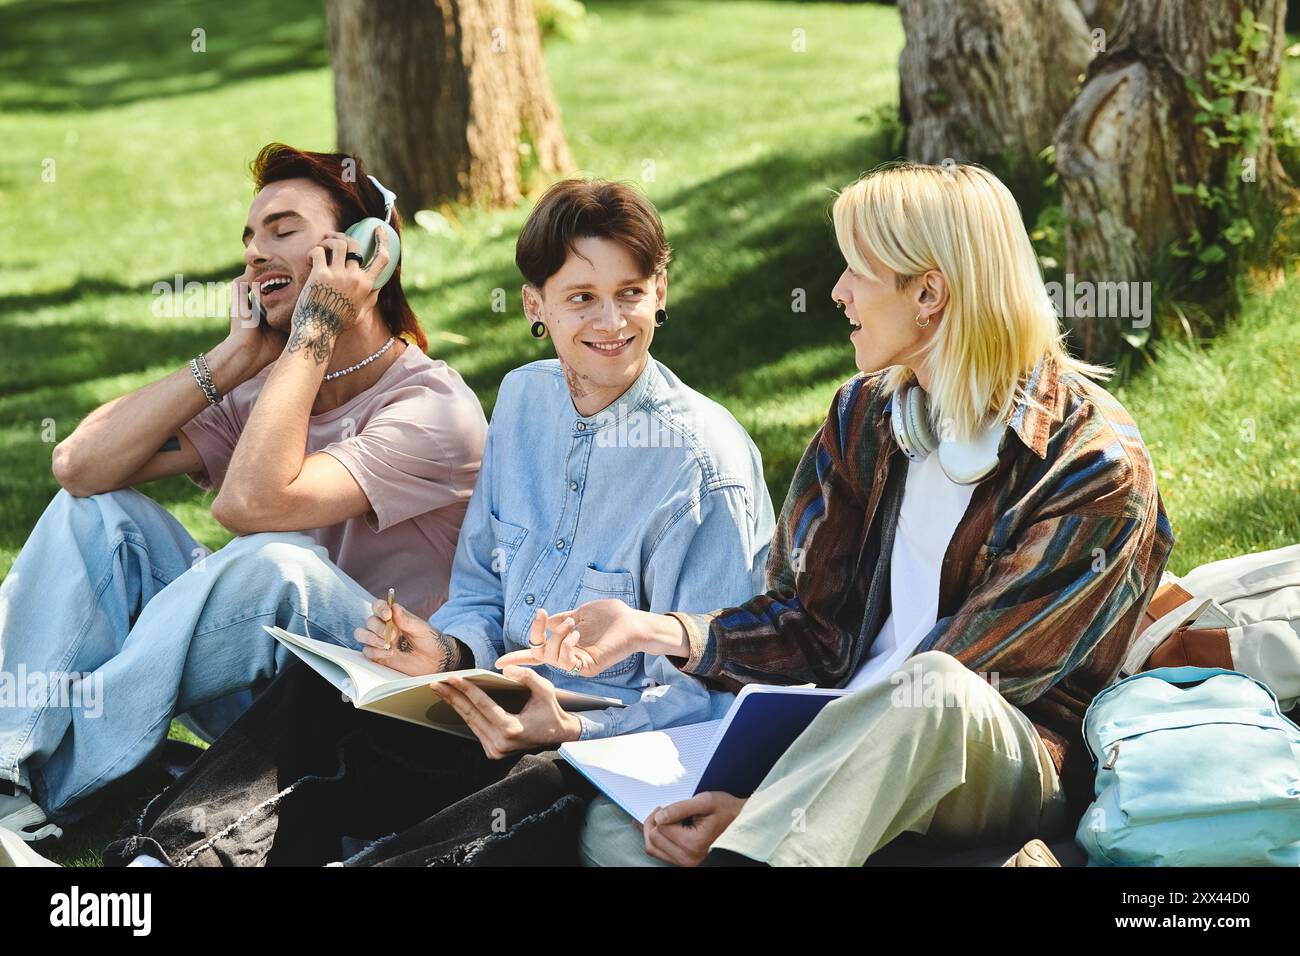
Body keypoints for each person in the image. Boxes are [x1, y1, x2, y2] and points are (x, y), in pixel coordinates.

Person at [519, 163, 1177, 867]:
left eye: (857, 270)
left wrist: (771, 811)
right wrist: (652, 630)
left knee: (936, 694)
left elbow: (976, 681)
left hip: (996, 761)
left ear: (928, 292)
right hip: (837, 740)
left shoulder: (1092, 464)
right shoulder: (865, 415)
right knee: (621, 835)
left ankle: (752, 855)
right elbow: (810, 624)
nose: (836, 291)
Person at [104, 178, 776, 867]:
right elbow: (482, 585)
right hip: (484, 708)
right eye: (582, 298)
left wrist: (566, 725)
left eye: (630, 293)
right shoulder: (523, 399)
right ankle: (164, 861)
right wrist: (447, 655)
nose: (611, 323)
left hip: (594, 750)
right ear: (534, 304)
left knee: (538, 784)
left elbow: (713, 695)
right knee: (322, 690)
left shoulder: (703, 466)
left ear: (659, 292)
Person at [0, 144, 487, 842]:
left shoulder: (435, 409)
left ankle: (61, 779)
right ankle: (6, 770)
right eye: (249, 238)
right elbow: (78, 465)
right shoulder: (268, 383)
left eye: (282, 230)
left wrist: (312, 329)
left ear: (367, 251)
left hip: (381, 695)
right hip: (269, 681)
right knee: (98, 516)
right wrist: (232, 359)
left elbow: (249, 509)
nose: (255, 253)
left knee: (276, 561)